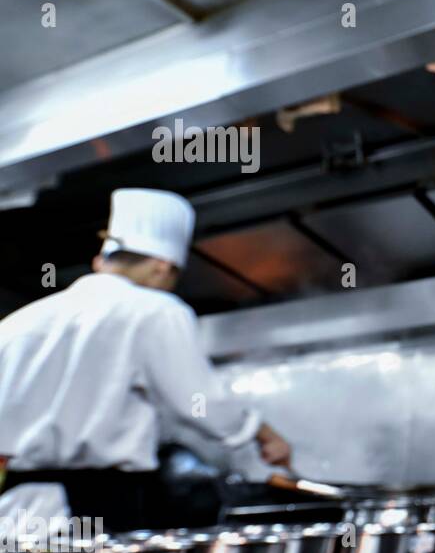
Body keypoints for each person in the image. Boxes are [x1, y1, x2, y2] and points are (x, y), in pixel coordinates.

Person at [0, 188, 292, 532]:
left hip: (13, 513)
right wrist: (263, 433)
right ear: (161, 267)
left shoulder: (15, 324)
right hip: (95, 511)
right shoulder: (153, 310)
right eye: (171, 279)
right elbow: (199, 404)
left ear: (101, 261)